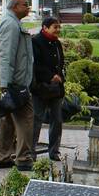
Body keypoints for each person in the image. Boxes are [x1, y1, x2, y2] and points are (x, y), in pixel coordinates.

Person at [0, 0, 34, 170]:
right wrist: (6, 86)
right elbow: (6, 56)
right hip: (14, 84)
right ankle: (24, 159)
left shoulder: (10, 22)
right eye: (26, 4)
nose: (29, 8)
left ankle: (2, 157)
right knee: (26, 119)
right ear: (15, 6)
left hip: (7, 82)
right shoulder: (11, 24)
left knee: (7, 120)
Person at [31, 15, 66, 164]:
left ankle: (54, 151)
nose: (57, 30)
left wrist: (60, 78)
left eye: (59, 27)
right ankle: (30, 152)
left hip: (56, 89)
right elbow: (35, 64)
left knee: (57, 120)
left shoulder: (56, 43)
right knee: (36, 120)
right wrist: (51, 76)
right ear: (45, 28)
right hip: (41, 88)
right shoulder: (35, 41)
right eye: (55, 27)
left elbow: (61, 62)